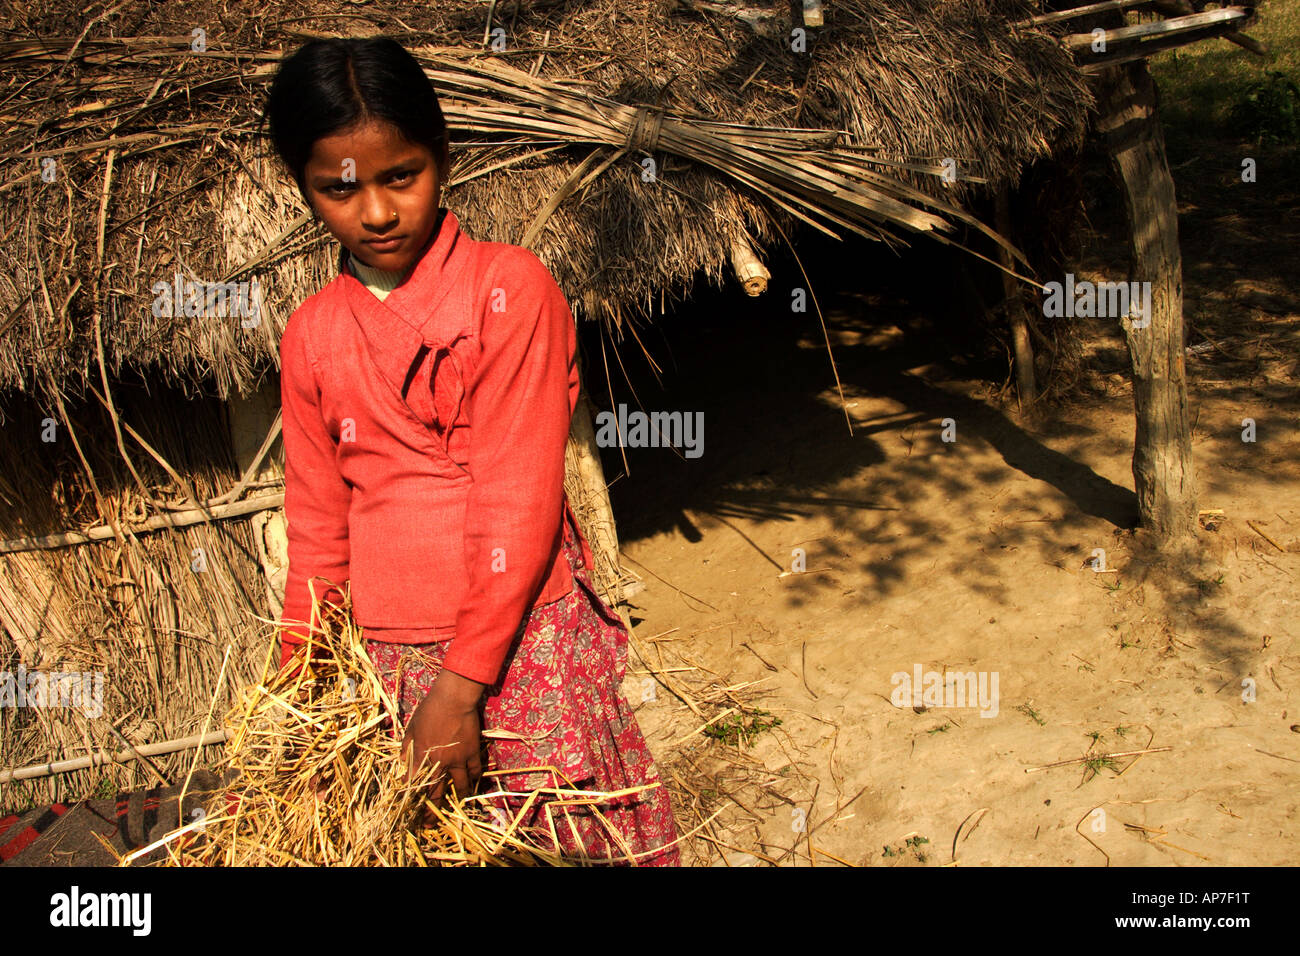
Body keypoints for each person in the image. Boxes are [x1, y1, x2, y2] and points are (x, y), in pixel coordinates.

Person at [265, 36, 680, 865]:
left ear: (443, 159)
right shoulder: (312, 333)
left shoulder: (510, 289)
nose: (376, 213)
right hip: (390, 664)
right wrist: (295, 692)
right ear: (303, 187)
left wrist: (458, 693)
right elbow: (317, 529)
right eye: (338, 189)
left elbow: (515, 501)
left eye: (401, 176)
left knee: (564, 843)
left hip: (519, 647)